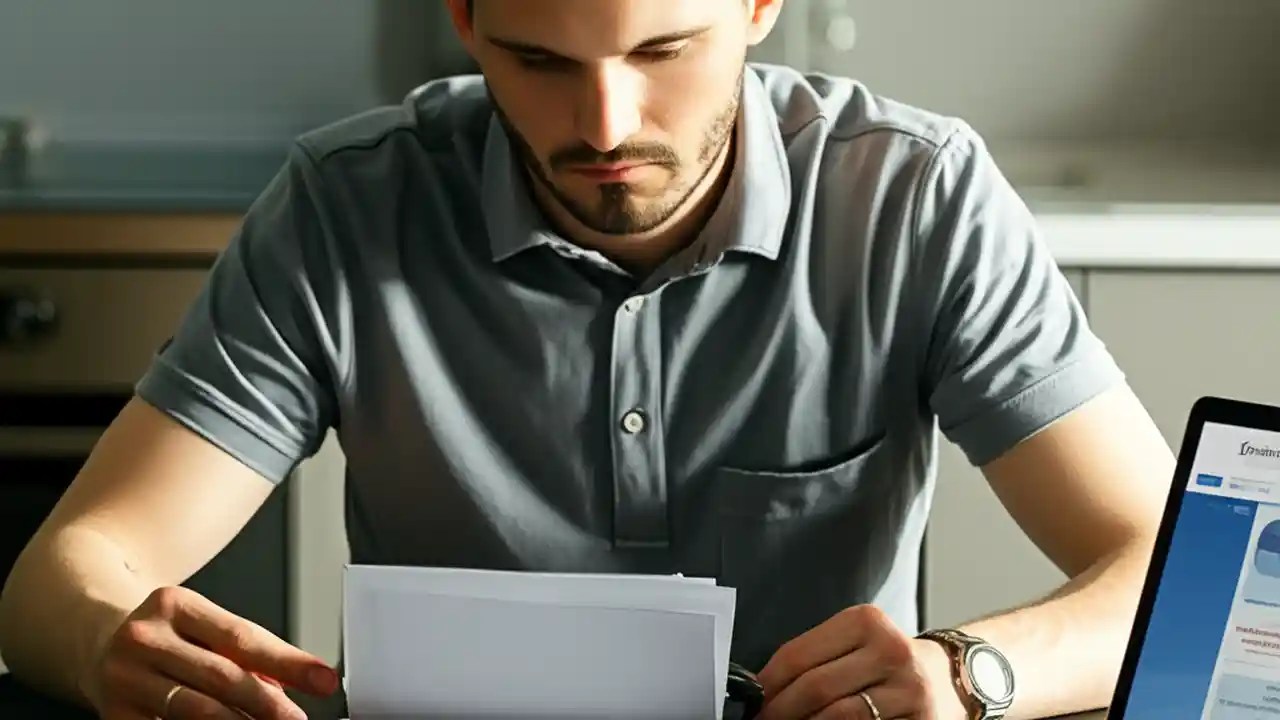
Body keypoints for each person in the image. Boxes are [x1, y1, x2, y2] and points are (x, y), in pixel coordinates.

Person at [0, 0, 1174, 718]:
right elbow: (63, 574)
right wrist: (113, 638)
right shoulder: (345, 208)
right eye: (539, 62)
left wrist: (972, 675)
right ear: (464, 18)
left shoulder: (917, 196)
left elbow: (1161, 575)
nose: (605, 126)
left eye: (664, 49)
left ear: (760, 3)